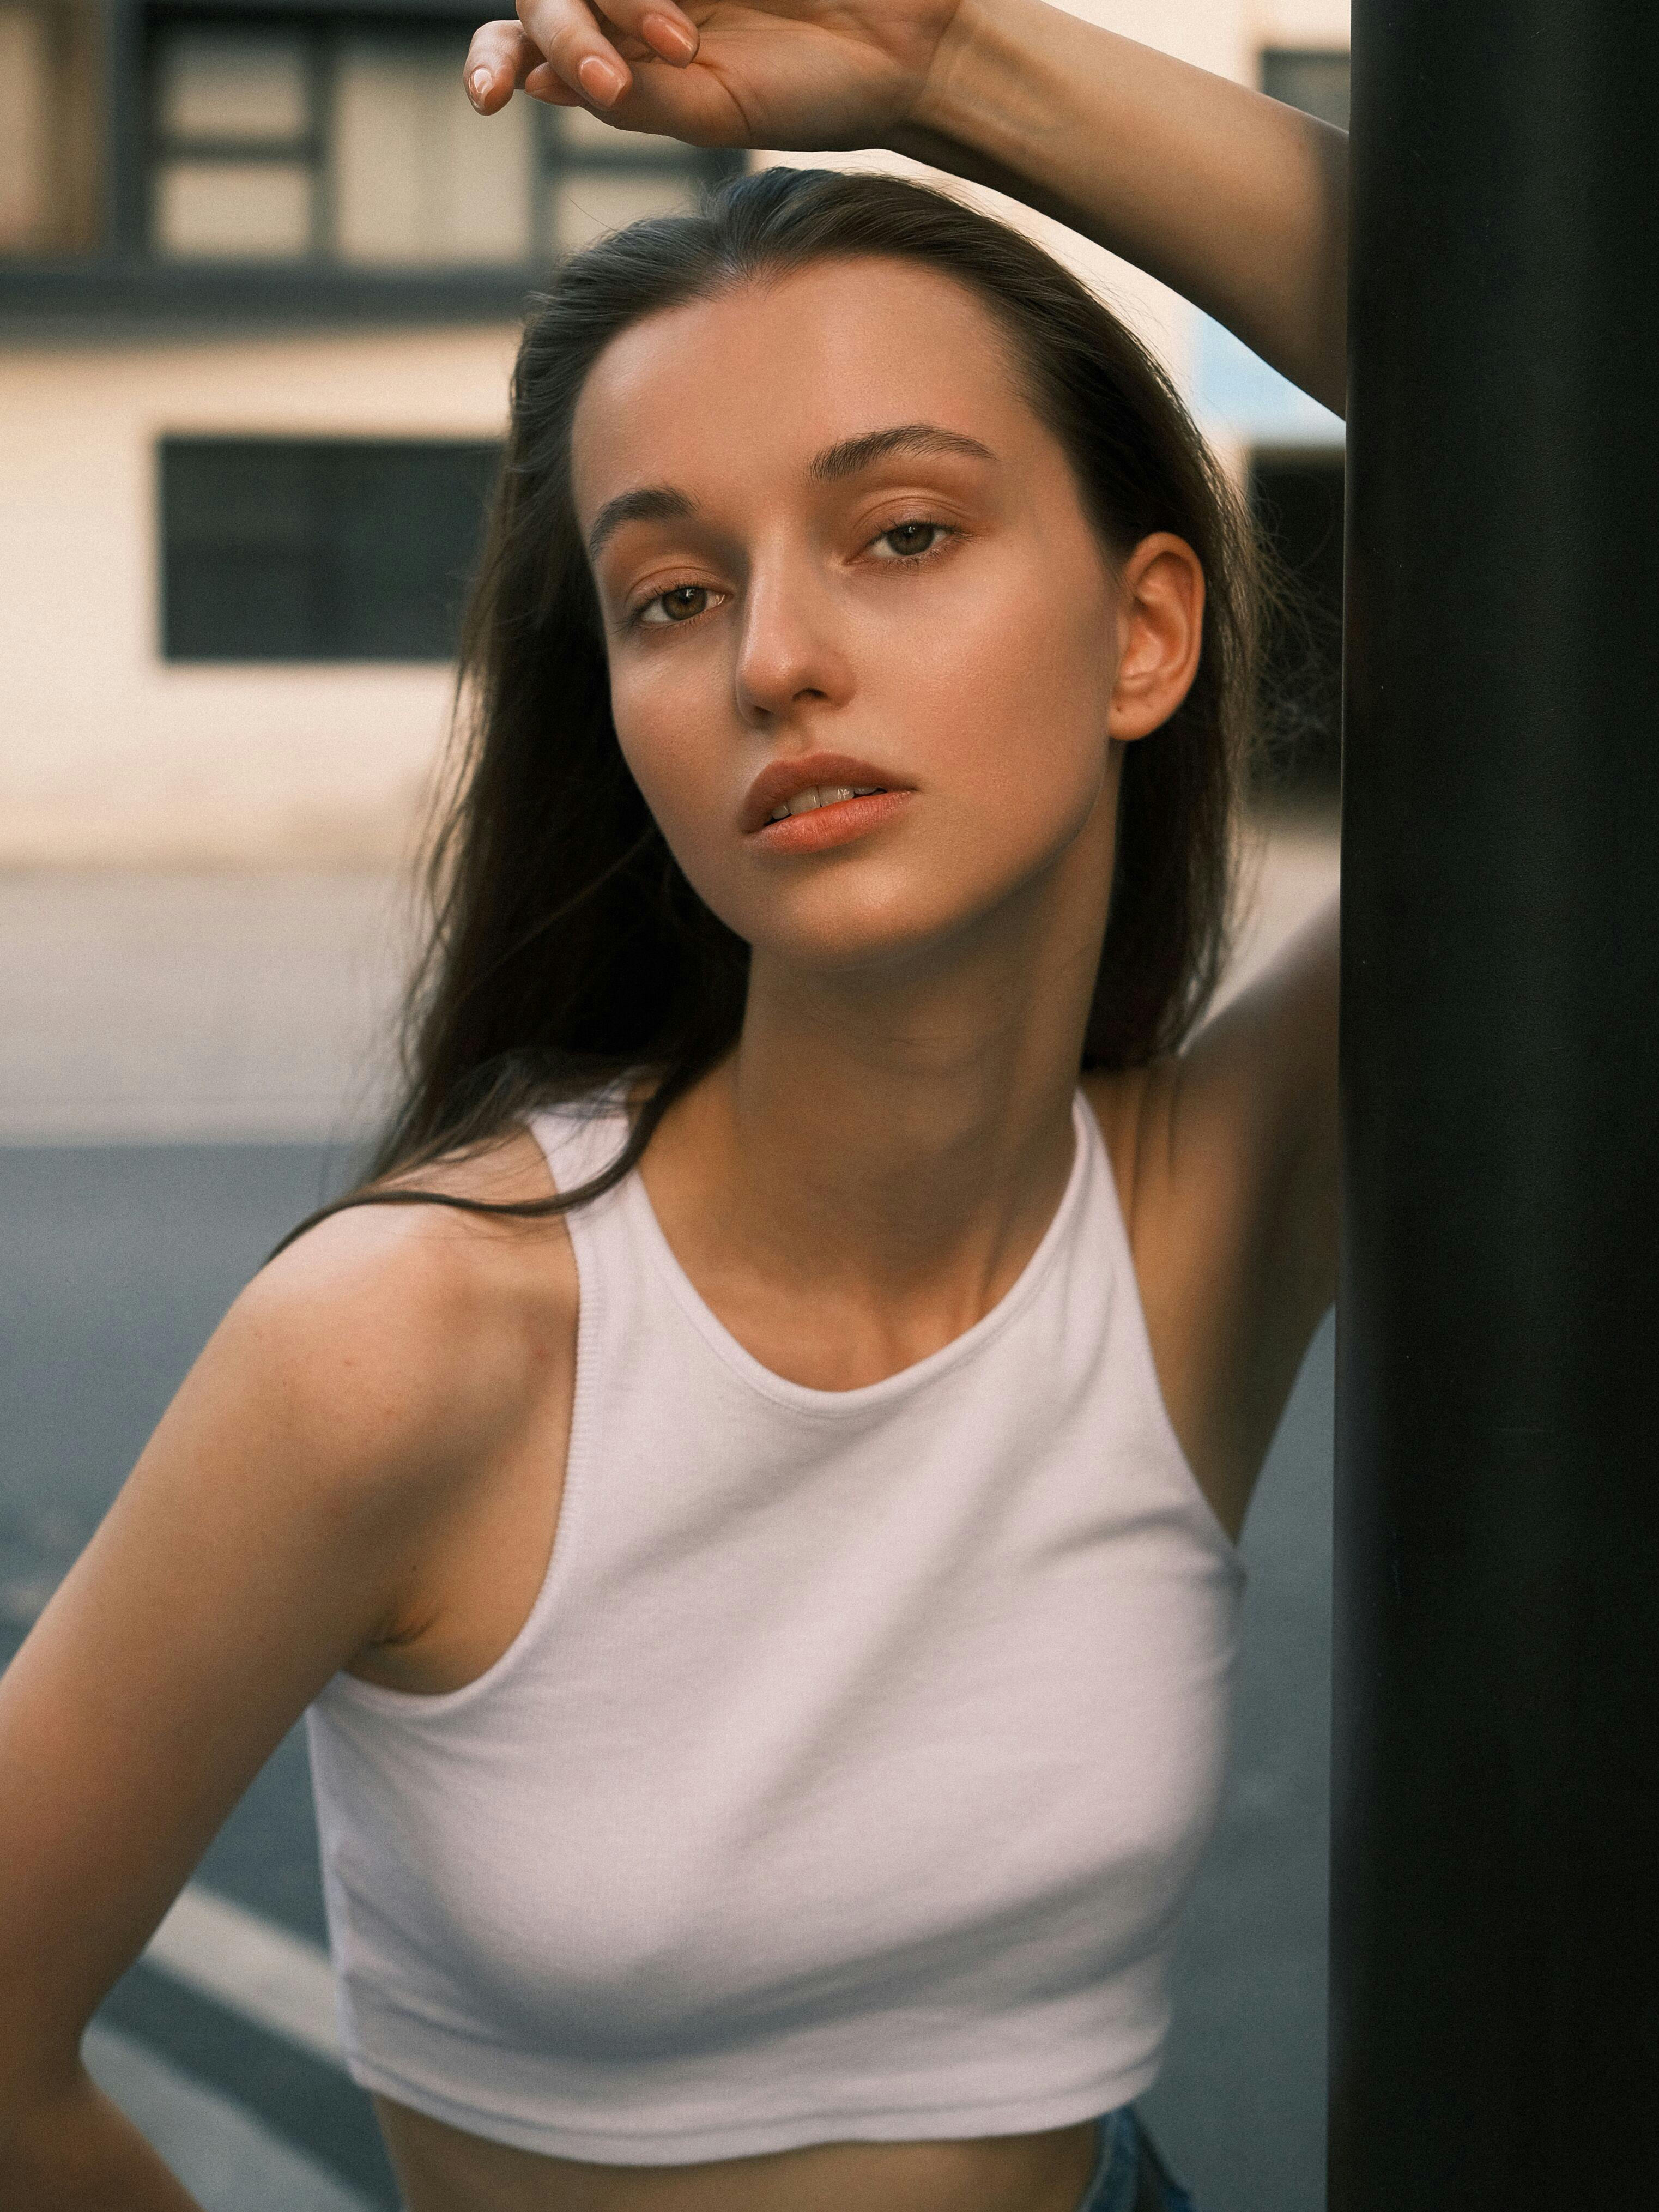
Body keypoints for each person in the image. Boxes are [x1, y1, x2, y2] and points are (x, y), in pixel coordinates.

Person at [0, 2, 1346, 2207]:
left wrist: (949, 65)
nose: (773, 659)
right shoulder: (407, 1345)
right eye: (669, 590)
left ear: (1145, 630)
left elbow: (1573, 392)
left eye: (899, 533)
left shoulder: (1204, 1214)